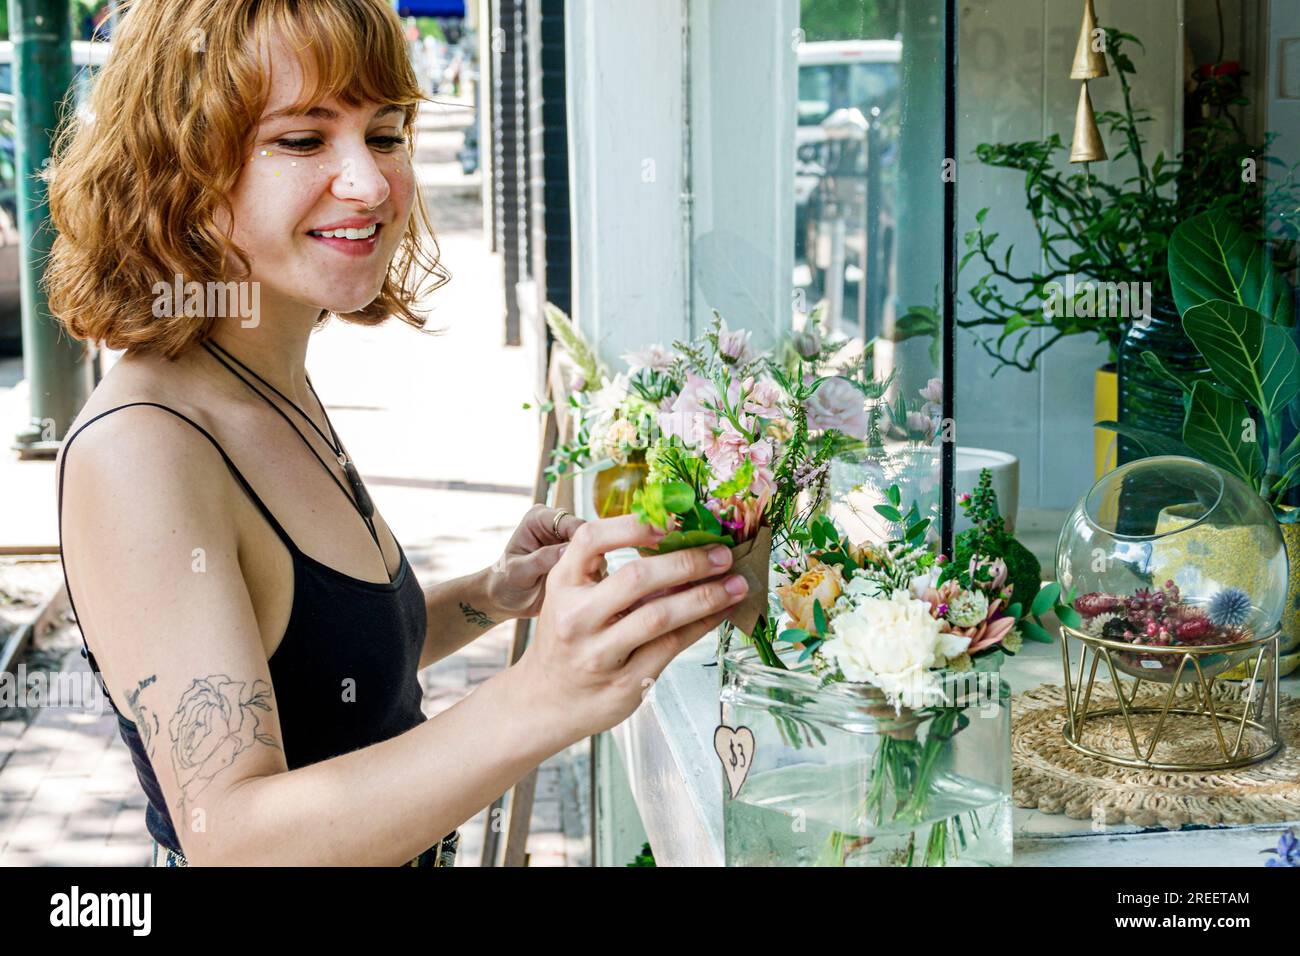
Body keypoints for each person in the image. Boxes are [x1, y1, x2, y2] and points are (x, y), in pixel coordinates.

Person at [46, 0, 746, 867]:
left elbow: (321, 661)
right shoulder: (142, 449)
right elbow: (233, 839)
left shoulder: (267, 374)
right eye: (303, 140)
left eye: (385, 133)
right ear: (175, 167)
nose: (372, 184)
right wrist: (543, 696)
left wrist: (496, 592)